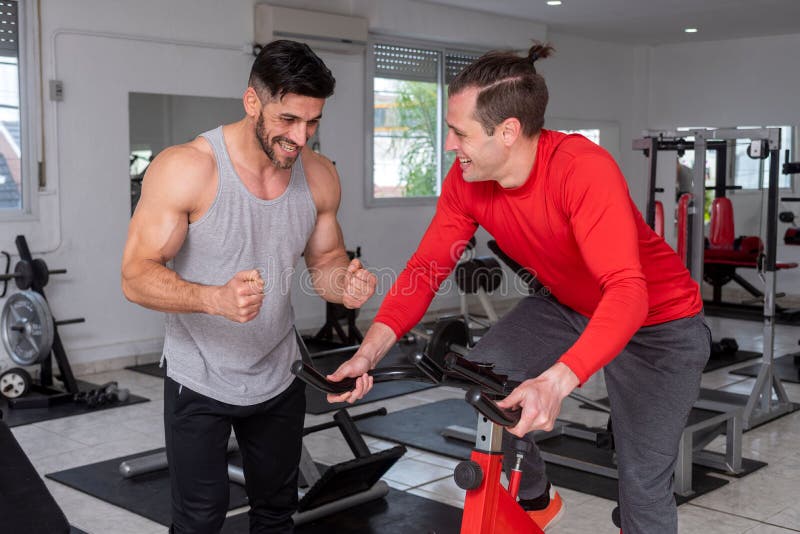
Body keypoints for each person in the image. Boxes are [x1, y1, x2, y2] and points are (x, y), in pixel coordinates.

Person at [327, 42, 709, 534]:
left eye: (459, 132)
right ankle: (534, 499)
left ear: (507, 131)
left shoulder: (580, 168)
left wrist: (556, 380)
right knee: (486, 377)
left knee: (642, 485)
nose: (449, 145)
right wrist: (369, 351)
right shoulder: (467, 180)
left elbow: (627, 291)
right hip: (569, 304)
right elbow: (427, 266)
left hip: (661, 324)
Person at [121, 40, 377, 534]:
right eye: (287, 120)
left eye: (313, 122)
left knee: (277, 514)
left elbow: (324, 262)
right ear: (252, 102)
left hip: (278, 374)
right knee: (199, 521)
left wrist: (346, 285)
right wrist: (211, 298)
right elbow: (135, 275)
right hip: (199, 375)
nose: (301, 137)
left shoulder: (320, 176)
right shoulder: (188, 168)